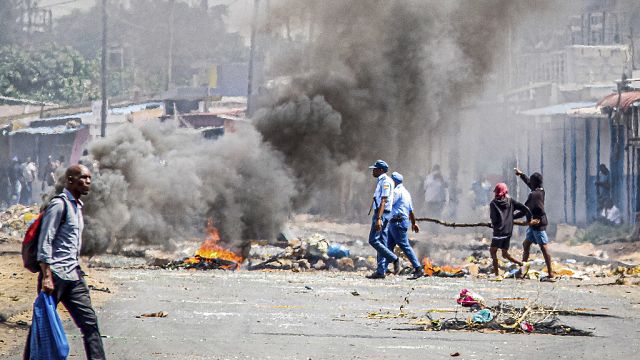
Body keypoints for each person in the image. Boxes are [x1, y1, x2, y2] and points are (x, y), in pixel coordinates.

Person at [24, 164, 106, 359]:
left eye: (89, 178)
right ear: (70, 180)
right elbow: (46, 240)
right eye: (83, 178)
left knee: (90, 324)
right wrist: (46, 276)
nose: (88, 182)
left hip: (73, 275)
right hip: (55, 276)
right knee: (41, 324)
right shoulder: (59, 205)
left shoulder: (77, 206)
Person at [515, 168, 555, 282]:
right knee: (526, 244)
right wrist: (521, 175)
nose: (530, 183)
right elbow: (529, 183)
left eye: (532, 181)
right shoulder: (541, 190)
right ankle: (523, 271)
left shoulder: (533, 195)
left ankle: (551, 274)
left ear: (534, 183)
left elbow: (524, 210)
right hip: (533, 225)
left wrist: (512, 217)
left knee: (544, 248)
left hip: (538, 224)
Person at [489, 183, 532, 278]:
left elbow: (494, 219)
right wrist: (527, 220)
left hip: (498, 232)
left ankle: (497, 275)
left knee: (493, 251)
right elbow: (526, 209)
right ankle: (522, 264)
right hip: (508, 232)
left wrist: (493, 225)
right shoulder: (510, 201)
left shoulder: (493, 203)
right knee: (504, 254)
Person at [366, 160, 400, 279]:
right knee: (382, 241)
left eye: (375, 169)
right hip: (382, 213)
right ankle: (381, 271)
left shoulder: (385, 182)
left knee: (373, 240)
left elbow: (383, 200)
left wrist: (379, 218)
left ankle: (394, 258)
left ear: (381, 170)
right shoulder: (382, 181)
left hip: (382, 213)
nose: (373, 171)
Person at [387, 172, 423, 279]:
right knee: (388, 246)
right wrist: (413, 223)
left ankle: (418, 268)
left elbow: (389, 203)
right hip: (398, 222)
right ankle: (382, 269)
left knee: (405, 246)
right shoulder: (406, 193)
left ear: (394, 181)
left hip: (397, 222)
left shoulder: (397, 191)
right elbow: (410, 211)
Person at [423, 165, 448, 234]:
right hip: (433, 200)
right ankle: (432, 230)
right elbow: (425, 188)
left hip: (435, 200)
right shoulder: (430, 177)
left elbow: (446, 187)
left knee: (435, 215)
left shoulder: (440, 178)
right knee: (433, 215)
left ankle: (434, 230)